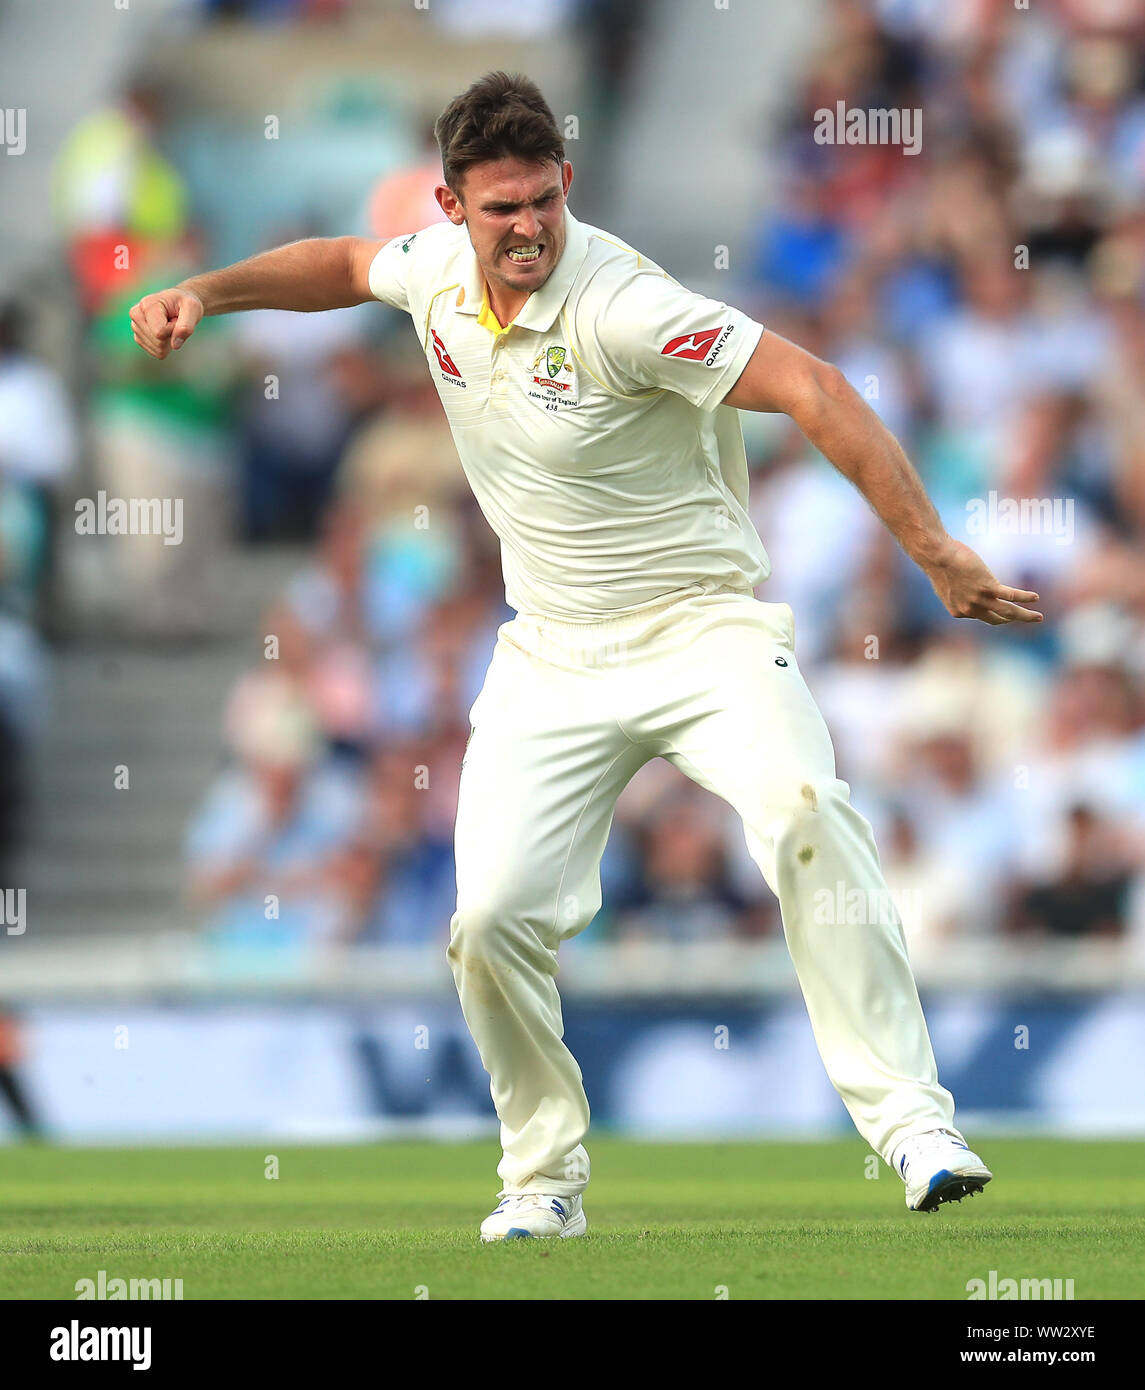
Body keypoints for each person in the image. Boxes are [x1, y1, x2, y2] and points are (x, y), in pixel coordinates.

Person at [128, 71, 1043, 1240]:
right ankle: (541, 1178)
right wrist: (203, 292)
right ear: (453, 208)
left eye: (541, 202)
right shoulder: (433, 277)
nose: (525, 229)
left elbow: (812, 386)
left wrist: (936, 551)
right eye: (498, 208)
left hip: (701, 628)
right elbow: (343, 262)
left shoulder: (625, 307)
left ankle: (912, 1122)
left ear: (567, 183)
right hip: (550, 654)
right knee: (490, 918)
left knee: (807, 804)